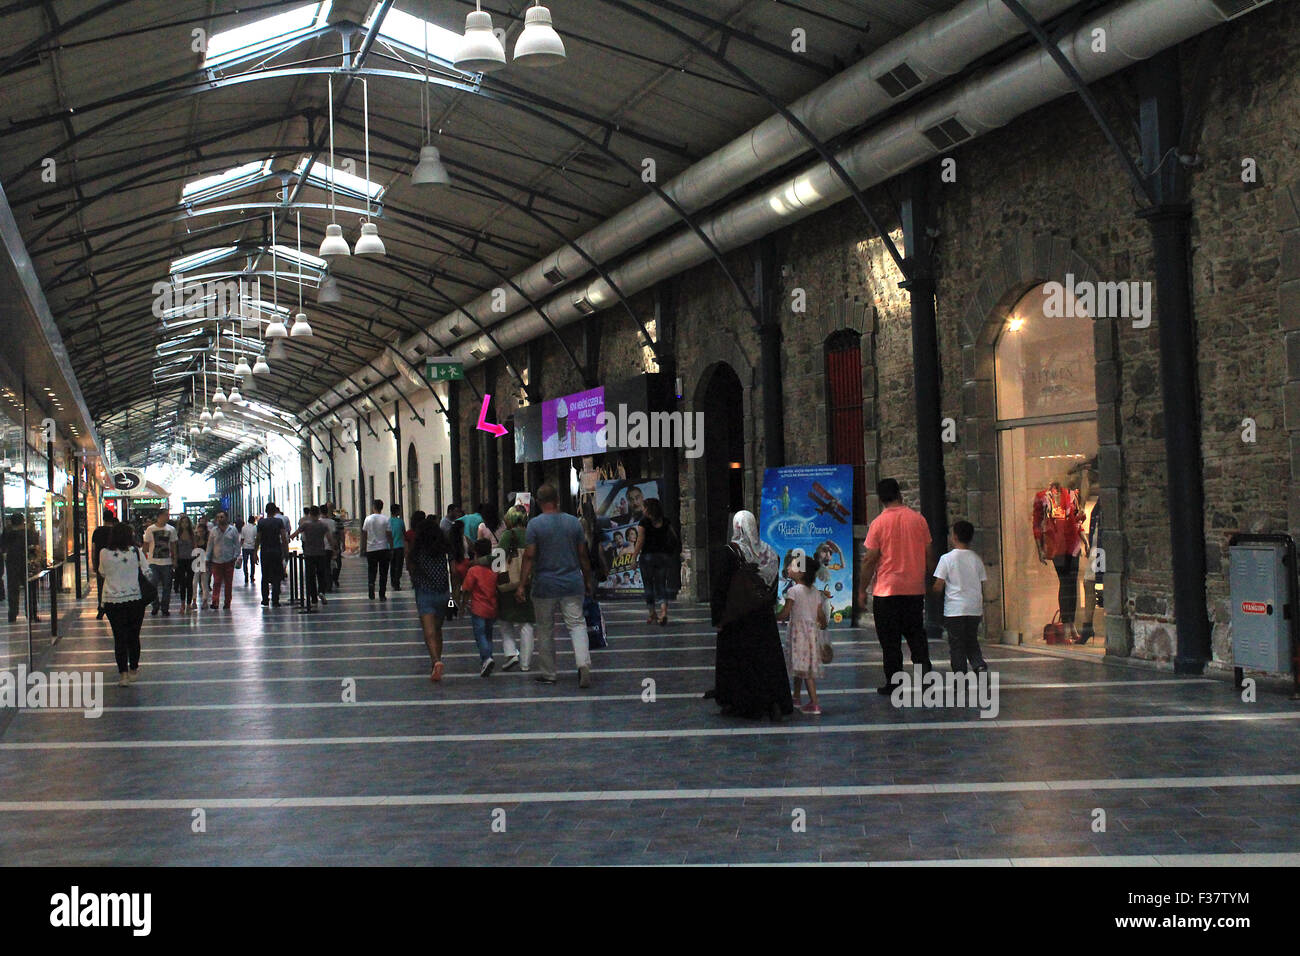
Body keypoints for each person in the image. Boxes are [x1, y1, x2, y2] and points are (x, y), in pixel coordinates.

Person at [709, 511, 793, 720]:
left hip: (737, 618)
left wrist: (718, 619)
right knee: (766, 659)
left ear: (737, 527)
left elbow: (720, 589)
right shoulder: (770, 552)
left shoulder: (731, 552)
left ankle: (741, 704)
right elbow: (773, 588)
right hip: (763, 616)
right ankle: (773, 701)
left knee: (739, 660)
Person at [515, 483, 595, 688]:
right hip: (571, 582)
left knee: (545, 629)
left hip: (545, 584)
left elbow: (530, 556)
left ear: (539, 502)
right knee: (577, 624)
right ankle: (583, 664)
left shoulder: (535, 525)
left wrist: (522, 584)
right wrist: (587, 579)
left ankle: (549, 673)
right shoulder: (573, 523)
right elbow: (583, 555)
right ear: (557, 499)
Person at [859, 478, 935, 694]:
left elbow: (870, 559)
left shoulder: (878, 524)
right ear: (899, 494)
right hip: (913, 589)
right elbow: (929, 554)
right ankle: (925, 679)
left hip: (886, 591)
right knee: (916, 636)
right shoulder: (918, 520)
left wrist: (861, 590)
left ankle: (895, 682)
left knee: (889, 640)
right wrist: (930, 580)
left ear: (880, 498)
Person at [931, 519, 988, 673]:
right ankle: (979, 665)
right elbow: (983, 583)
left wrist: (932, 596)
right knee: (971, 641)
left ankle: (960, 676)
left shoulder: (946, 559)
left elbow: (938, 585)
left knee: (956, 645)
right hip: (974, 608)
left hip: (955, 609)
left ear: (954, 536)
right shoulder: (976, 559)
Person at [776, 553, 828, 716]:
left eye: (791, 566)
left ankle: (814, 703)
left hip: (799, 636)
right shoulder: (814, 591)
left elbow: (785, 613)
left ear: (801, 572)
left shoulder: (793, 591)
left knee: (804, 671)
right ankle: (796, 697)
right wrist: (823, 623)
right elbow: (821, 615)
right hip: (811, 634)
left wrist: (772, 617)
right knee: (800, 666)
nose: (788, 568)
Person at [99, 521, 147, 687]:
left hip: (112, 600)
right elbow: (147, 571)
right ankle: (133, 669)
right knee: (134, 636)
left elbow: (102, 572)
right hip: (135, 598)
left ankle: (123, 675)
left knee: (119, 637)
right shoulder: (136, 552)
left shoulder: (104, 553)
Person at [409, 515, 453, 682]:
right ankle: (437, 660)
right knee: (438, 629)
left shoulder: (417, 550)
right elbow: (454, 572)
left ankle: (436, 661)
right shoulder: (444, 549)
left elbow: (411, 567)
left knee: (429, 632)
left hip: (424, 593)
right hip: (443, 593)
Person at [496, 506, 534, 672]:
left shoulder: (507, 535)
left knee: (505, 620)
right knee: (526, 623)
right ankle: (525, 663)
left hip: (509, 584)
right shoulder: (531, 534)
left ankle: (511, 653)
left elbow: (497, 561)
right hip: (529, 583)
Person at [631, 498, 677, 625]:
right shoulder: (665, 521)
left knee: (648, 585)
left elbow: (640, 541)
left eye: (644, 507)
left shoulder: (644, 523)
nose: (643, 509)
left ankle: (652, 613)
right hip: (663, 556)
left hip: (647, 557)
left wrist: (634, 557)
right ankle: (664, 612)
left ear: (648, 509)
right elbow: (674, 537)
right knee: (661, 584)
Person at [462, 539, 500, 677]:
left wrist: (461, 606)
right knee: (489, 634)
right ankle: (487, 658)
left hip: (478, 608)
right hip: (492, 607)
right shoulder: (494, 569)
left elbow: (466, 589)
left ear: (476, 552)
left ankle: (486, 658)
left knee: (480, 635)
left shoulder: (473, 570)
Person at [290, 506, 333, 612]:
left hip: (309, 554)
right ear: (318, 514)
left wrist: (288, 538)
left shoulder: (306, 525)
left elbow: (295, 534)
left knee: (310, 576)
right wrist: (335, 549)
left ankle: (313, 597)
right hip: (321, 553)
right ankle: (321, 591)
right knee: (321, 574)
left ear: (310, 514)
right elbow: (329, 538)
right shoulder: (323, 525)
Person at [2, 513, 39, 623]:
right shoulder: (29, 533)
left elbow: (3, 549)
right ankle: (31, 613)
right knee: (30, 589)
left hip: (11, 563)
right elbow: (35, 548)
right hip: (26, 563)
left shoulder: (7, 533)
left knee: (13, 589)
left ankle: (12, 614)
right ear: (23, 521)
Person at [142, 509, 177, 617]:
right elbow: (146, 545)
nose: (167, 517)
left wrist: (175, 559)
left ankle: (165, 607)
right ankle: (155, 605)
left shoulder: (171, 529)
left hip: (167, 561)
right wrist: (143, 559)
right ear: (159, 516)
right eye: (166, 515)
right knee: (153, 585)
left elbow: (173, 545)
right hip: (153, 561)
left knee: (167, 586)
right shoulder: (150, 529)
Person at [255, 504, 290, 607]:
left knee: (265, 576)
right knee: (277, 576)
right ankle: (275, 599)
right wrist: (286, 551)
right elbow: (283, 537)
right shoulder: (279, 522)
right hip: (276, 551)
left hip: (265, 551)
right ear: (275, 511)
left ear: (266, 511)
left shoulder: (261, 522)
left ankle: (265, 599)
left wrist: (255, 552)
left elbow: (258, 538)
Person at [205, 511, 239, 610]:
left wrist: (236, 556)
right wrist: (207, 558)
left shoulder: (232, 530)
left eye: (222, 517)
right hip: (216, 561)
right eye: (218, 517)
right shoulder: (214, 531)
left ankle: (227, 602)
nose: (220, 519)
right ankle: (215, 601)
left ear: (226, 518)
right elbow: (210, 545)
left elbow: (237, 544)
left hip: (229, 560)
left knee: (228, 583)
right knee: (216, 582)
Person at [361, 499, 392, 600]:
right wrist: (391, 546)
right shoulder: (386, 519)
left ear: (373, 507)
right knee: (383, 572)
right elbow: (388, 534)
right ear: (382, 507)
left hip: (371, 549)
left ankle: (371, 585)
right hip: (383, 548)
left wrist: (364, 547)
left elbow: (364, 534)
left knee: (372, 570)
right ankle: (382, 594)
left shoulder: (368, 519)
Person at [91, 511, 118, 620]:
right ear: (112, 519)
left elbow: (93, 549)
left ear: (103, 518)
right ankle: (114, 607)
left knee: (101, 587)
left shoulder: (97, 531)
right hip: (115, 563)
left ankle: (101, 609)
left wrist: (94, 563)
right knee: (114, 585)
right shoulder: (115, 531)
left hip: (100, 562)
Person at [174, 514, 197, 613]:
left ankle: (188, 604)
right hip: (180, 560)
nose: (184, 524)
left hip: (190, 560)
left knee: (190, 582)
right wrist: (174, 560)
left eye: (186, 522)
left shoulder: (192, 535)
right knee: (182, 583)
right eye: (183, 522)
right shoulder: (177, 535)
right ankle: (182, 603)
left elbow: (195, 547)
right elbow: (174, 548)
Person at [319, 506, 338, 594]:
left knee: (322, 568)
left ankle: (324, 585)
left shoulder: (318, 522)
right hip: (329, 547)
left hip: (320, 547)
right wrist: (334, 548)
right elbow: (333, 536)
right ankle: (329, 584)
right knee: (328, 567)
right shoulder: (332, 522)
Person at [193, 515, 211, 608]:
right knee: (194, 582)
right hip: (196, 563)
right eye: (198, 531)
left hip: (204, 563)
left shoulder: (208, 540)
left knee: (204, 583)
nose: (200, 533)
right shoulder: (195, 540)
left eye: (201, 531)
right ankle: (194, 600)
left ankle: (204, 600)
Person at [389, 503, 407, 591]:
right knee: (399, 565)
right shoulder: (400, 521)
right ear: (396, 511)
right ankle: (397, 582)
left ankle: (393, 581)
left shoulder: (388, 521)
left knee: (392, 565)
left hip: (390, 547)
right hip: (399, 546)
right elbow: (404, 533)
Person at [239, 514, 258, 586]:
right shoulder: (255, 528)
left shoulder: (243, 528)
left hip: (245, 547)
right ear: (253, 521)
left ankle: (246, 576)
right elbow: (256, 538)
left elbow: (242, 539)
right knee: (252, 563)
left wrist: (239, 547)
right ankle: (252, 576)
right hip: (252, 547)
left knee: (245, 562)